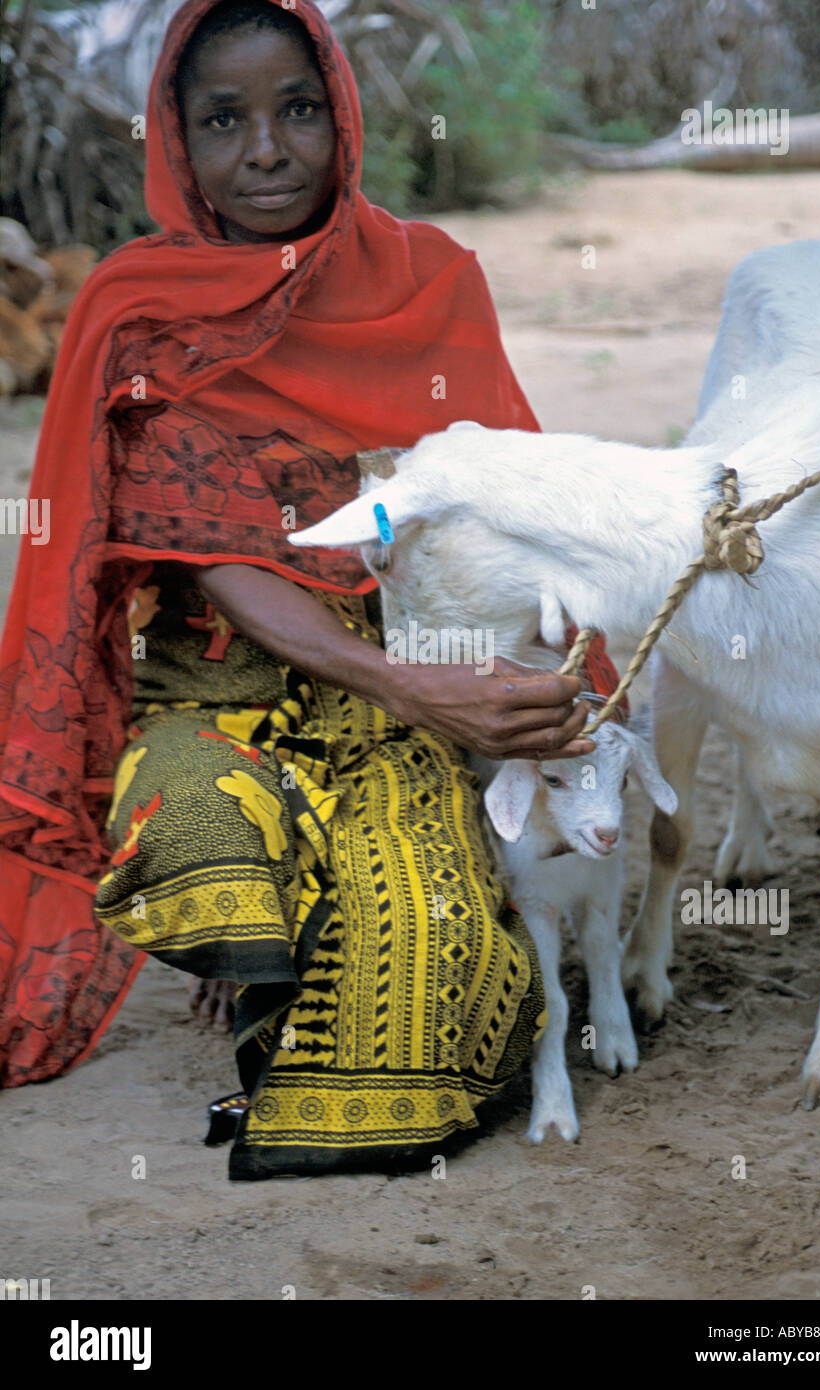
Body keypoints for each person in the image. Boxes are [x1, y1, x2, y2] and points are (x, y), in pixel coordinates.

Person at [0, 0, 595, 1178]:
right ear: (178, 141)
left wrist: (535, 679)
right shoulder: (141, 307)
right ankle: (260, 944)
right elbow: (217, 552)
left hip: (400, 693)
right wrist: (420, 690)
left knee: (438, 963)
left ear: (344, 119)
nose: (266, 150)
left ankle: (306, 952)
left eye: (298, 111)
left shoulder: (431, 279)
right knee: (194, 828)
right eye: (224, 120)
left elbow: (506, 488)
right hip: (215, 690)